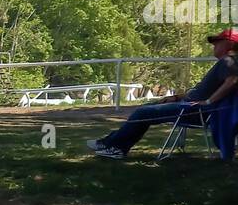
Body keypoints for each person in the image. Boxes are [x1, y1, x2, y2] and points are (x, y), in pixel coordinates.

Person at [87, 29, 238, 158]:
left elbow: (232, 81)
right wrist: (176, 97)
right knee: (145, 108)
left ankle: (116, 148)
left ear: (229, 44)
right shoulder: (226, 62)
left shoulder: (228, 61)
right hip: (187, 105)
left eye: (218, 41)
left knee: (142, 113)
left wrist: (209, 102)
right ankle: (109, 143)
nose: (214, 45)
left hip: (193, 111)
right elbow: (204, 91)